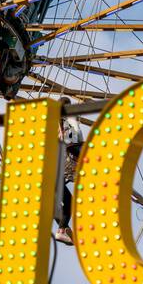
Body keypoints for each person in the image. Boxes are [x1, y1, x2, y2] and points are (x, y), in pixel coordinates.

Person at [54, 98, 83, 246]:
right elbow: (71, 144)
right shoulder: (67, 124)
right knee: (67, 202)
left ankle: (62, 229)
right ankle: (62, 229)